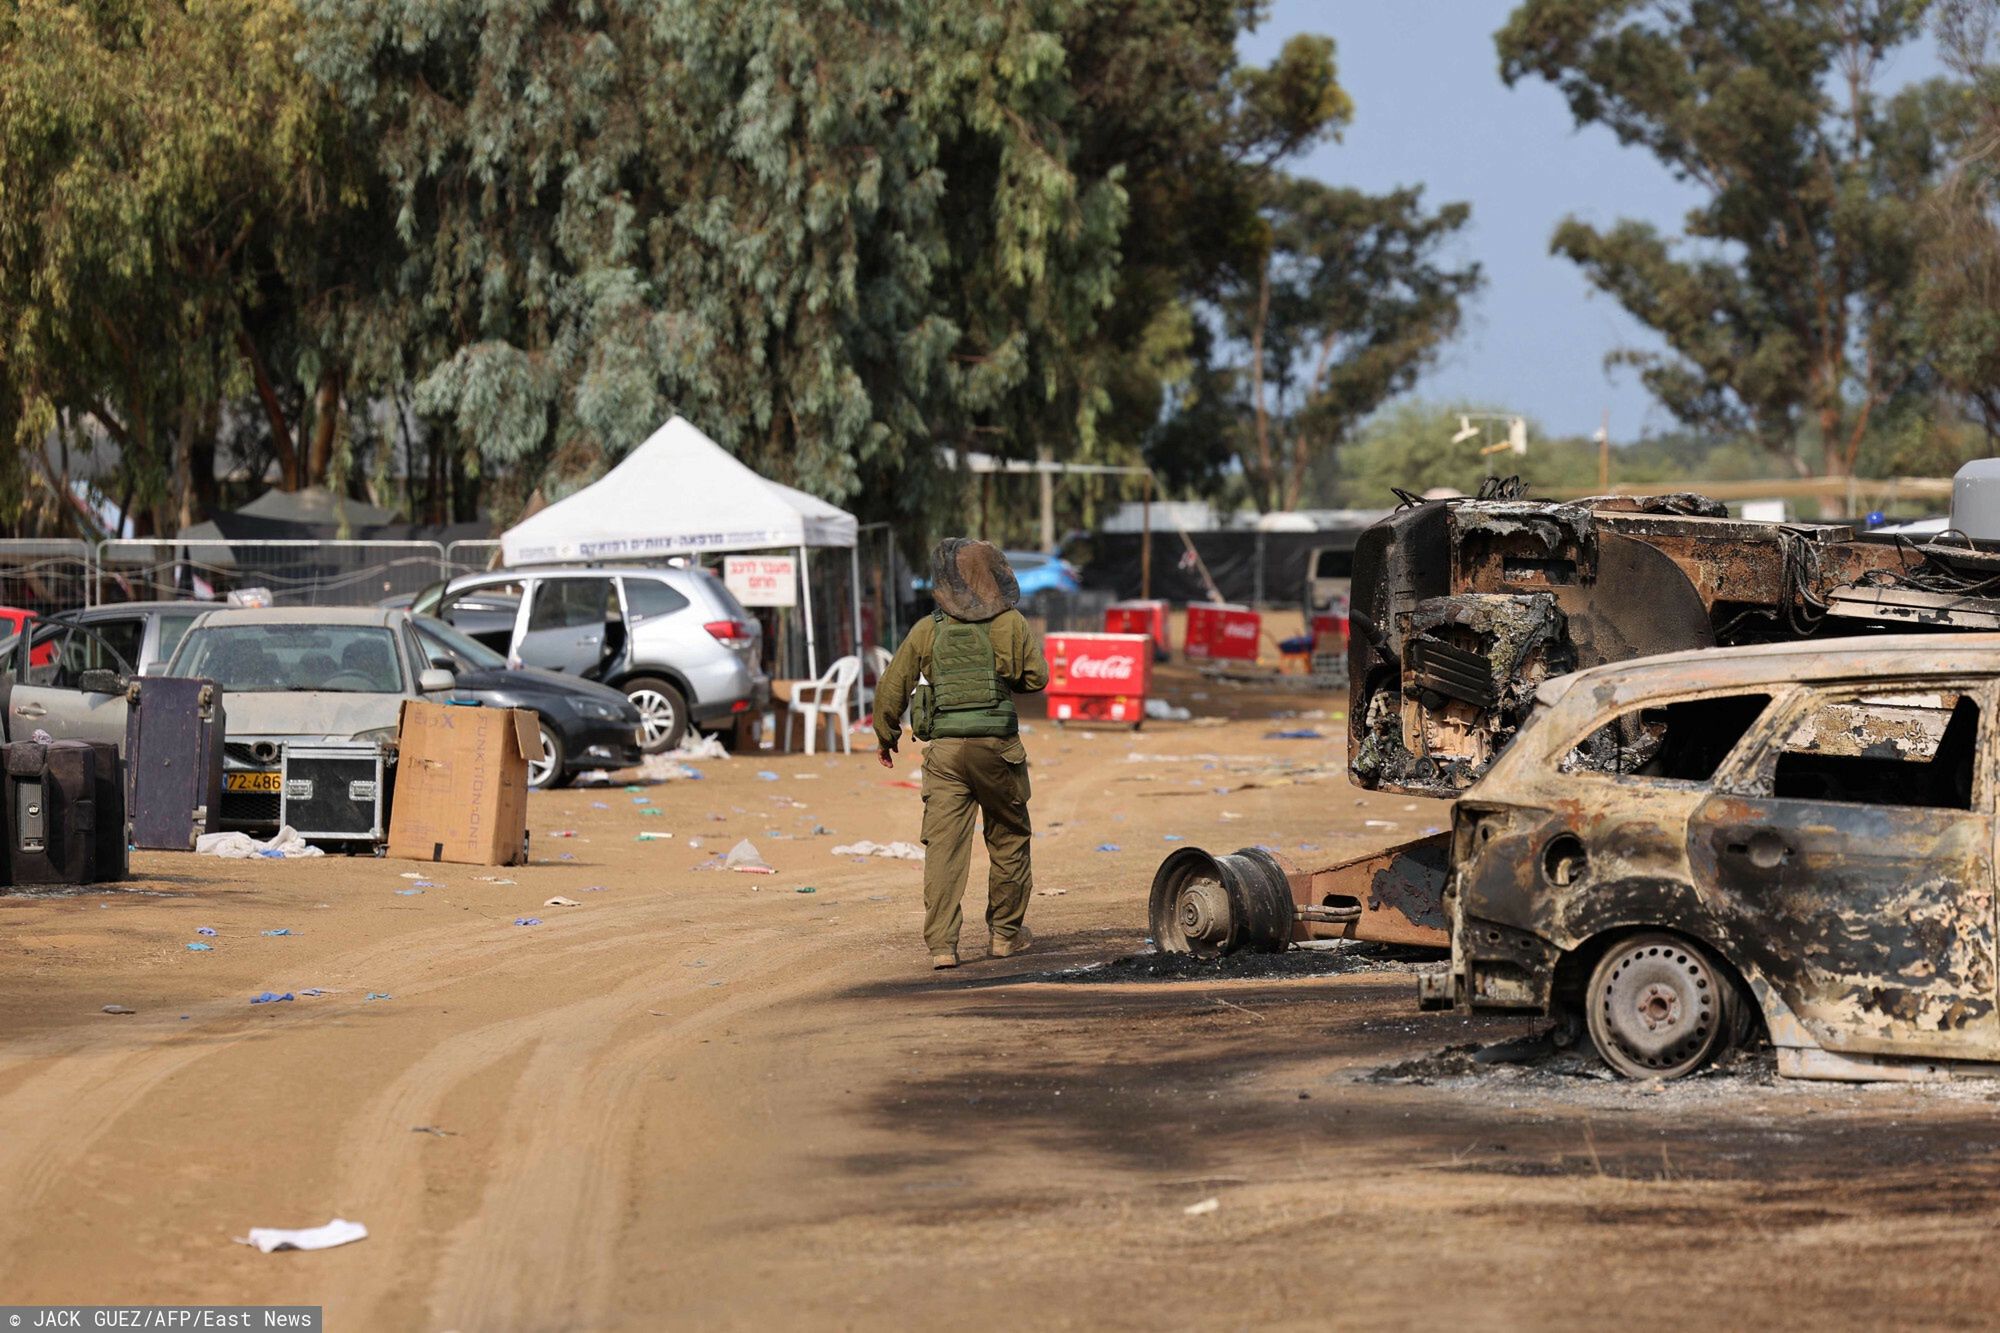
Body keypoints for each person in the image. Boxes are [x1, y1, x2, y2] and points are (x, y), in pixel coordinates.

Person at [874, 539, 1050, 969]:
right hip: (998, 750)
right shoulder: (1010, 623)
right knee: (1008, 839)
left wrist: (886, 735)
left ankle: (942, 946)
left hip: (946, 755)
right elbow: (1036, 678)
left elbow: (892, 686)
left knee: (944, 849)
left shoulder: (927, 628)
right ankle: (1004, 936)